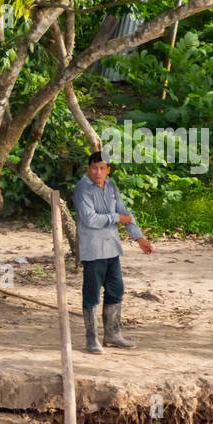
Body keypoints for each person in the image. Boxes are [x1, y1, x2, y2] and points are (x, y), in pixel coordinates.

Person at [72, 151, 154, 353]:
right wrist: (115, 217)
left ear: (108, 169)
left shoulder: (111, 186)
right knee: (91, 294)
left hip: (112, 248)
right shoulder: (82, 189)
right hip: (93, 250)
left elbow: (125, 212)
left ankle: (112, 334)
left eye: (102, 168)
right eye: (94, 168)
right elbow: (90, 219)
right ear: (88, 169)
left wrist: (139, 237)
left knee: (116, 290)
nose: (98, 172)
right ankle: (92, 339)